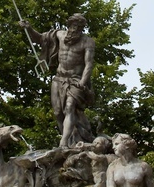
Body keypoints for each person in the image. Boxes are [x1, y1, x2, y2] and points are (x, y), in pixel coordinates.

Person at [19, 13, 96, 147]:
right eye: (73, 26)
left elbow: (89, 63)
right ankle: (71, 140)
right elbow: (39, 39)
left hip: (76, 80)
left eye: (78, 27)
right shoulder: (59, 35)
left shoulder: (87, 42)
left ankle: (63, 142)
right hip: (59, 78)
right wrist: (29, 28)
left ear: (82, 28)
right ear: (69, 25)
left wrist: (83, 82)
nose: (75, 29)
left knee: (69, 107)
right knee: (58, 112)